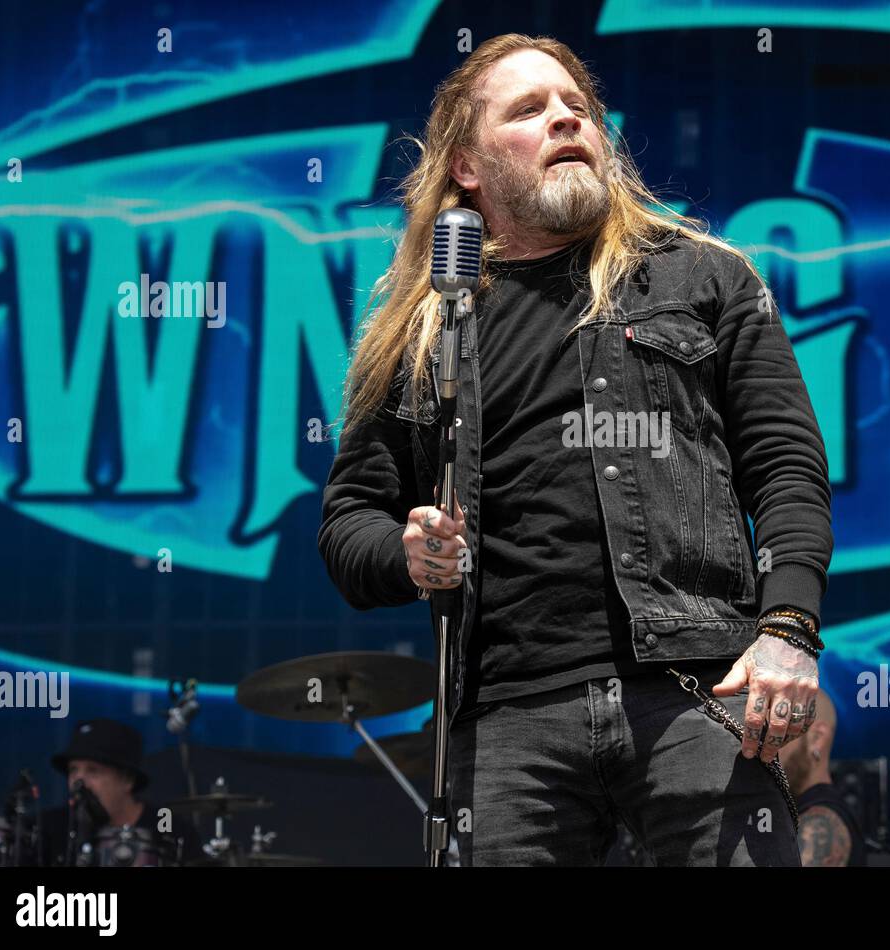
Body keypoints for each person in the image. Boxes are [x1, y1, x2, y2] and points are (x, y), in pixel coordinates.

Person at [319, 34, 833, 866]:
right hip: (509, 713)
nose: (566, 119)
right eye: (529, 110)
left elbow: (786, 465)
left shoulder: (703, 277)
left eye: (578, 108)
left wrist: (788, 627)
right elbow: (348, 525)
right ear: (468, 167)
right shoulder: (423, 332)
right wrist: (408, 552)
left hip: (696, 687)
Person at [38, 719, 203, 866]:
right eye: (73, 770)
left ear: (127, 780)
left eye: (93, 771)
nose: (79, 781)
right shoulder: (50, 830)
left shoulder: (168, 827)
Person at [779, 688, 866, 866]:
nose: (768, 747)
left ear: (817, 738)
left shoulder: (822, 818)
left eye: (780, 733)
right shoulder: (794, 813)